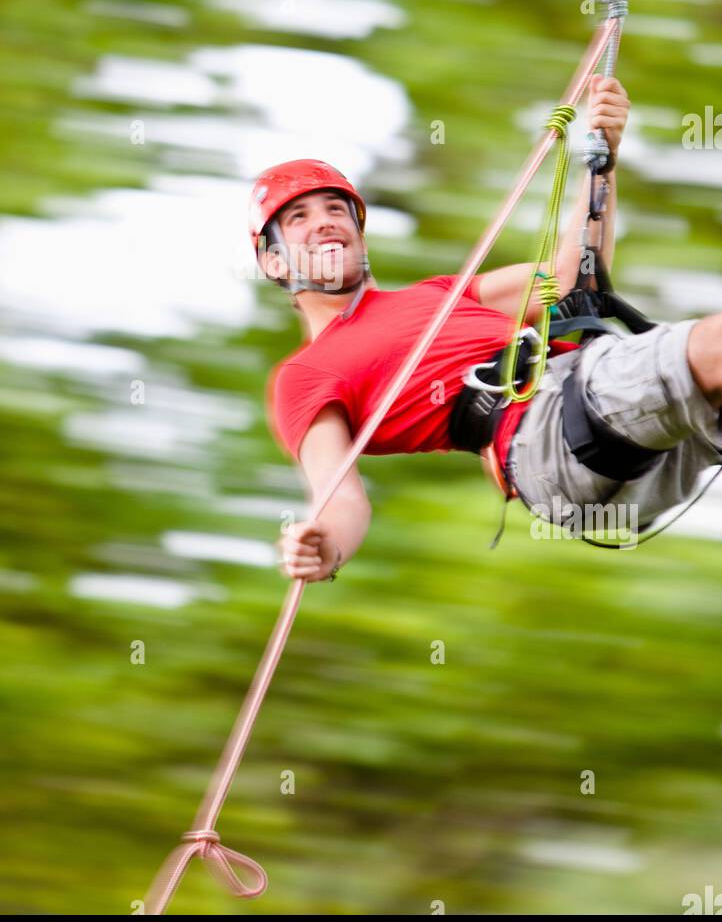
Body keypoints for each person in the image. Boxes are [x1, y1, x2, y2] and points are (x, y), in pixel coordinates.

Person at [249, 77, 722, 582]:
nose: (324, 221)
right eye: (299, 217)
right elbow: (339, 492)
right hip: (550, 434)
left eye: (336, 209)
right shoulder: (304, 376)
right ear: (275, 263)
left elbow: (575, 276)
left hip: (612, 450)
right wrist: (328, 545)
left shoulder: (439, 294)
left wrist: (604, 153)